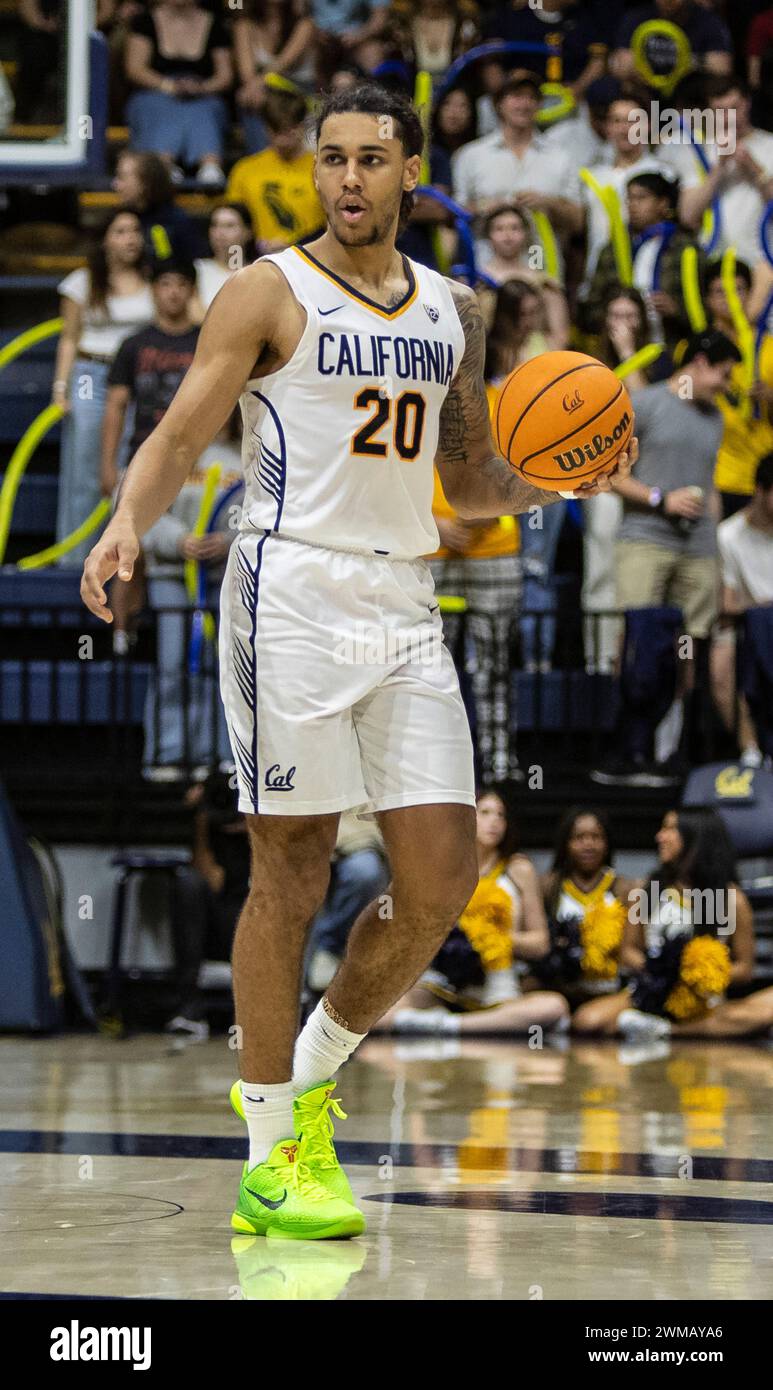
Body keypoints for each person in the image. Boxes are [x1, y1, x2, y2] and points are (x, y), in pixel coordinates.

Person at [81, 81, 634, 1241]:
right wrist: (129, 520)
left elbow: (472, 477)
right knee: (289, 871)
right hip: (288, 590)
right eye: (330, 158)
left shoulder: (455, 308)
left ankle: (311, 1070)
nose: (345, 179)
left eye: (369, 159)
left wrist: (558, 473)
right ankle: (271, 1146)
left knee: (439, 881)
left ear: (410, 172)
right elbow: (182, 429)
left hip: (403, 595)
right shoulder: (265, 288)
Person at [612, 331, 740, 770]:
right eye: (723, 375)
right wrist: (659, 499)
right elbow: (612, 476)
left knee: (688, 648)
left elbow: (713, 490)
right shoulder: (645, 404)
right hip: (645, 539)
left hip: (698, 547)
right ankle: (630, 747)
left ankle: (670, 750)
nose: (726, 384)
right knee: (637, 642)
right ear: (700, 363)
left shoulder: (716, 419)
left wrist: (719, 557)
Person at [373, 788, 570, 1029]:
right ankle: (450, 1022)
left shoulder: (519, 869)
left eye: (501, 815)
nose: (494, 822)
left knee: (554, 1007)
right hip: (444, 985)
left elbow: (540, 944)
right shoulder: (442, 868)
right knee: (374, 1010)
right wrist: (455, 943)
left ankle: (452, 1026)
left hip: (499, 988)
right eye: (485, 813)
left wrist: (493, 939)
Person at [571, 809, 773, 1040]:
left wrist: (699, 974)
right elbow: (628, 951)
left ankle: (667, 1030)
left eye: (669, 829)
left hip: (704, 998)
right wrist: (661, 972)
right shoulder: (646, 891)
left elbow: (745, 969)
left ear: (695, 838)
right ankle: (682, 1028)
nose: (660, 836)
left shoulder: (731, 899)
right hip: (652, 992)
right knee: (587, 1020)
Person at [52, 207, 153, 571]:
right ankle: (72, 561)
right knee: (85, 467)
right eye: (121, 231)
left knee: (126, 469)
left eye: (135, 230)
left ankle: (113, 562)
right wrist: (60, 389)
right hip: (88, 374)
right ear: (106, 239)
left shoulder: (152, 280)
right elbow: (68, 338)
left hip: (136, 379)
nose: (131, 238)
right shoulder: (82, 281)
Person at [483, 278, 567, 673]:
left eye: (536, 312)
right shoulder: (487, 353)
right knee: (505, 570)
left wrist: (551, 288)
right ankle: (500, 659)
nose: (531, 320)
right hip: (499, 471)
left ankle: (538, 662)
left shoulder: (545, 349)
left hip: (542, 470)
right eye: (524, 313)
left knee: (537, 569)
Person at [583, 287, 654, 673]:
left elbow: (646, 409)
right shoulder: (589, 363)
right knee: (601, 565)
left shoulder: (655, 360)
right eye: (615, 317)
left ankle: (632, 658)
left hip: (646, 474)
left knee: (636, 570)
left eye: (630, 317)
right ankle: (600, 660)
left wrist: (630, 356)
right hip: (601, 477)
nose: (621, 326)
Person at [450, 69, 583, 244]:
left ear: (539, 105)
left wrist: (548, 203)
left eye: (532, 98)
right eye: (516, 96)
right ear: (499, 104)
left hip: (540, 258)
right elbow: (454, 216)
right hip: (486, 261)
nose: (524, 104)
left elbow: (578, 222)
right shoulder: (471, 155)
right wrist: (487, 206)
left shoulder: (561, 156)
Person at [585, 169, 702, 350]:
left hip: (673, 346)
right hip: (620, 347)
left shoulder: (685, 248)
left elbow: (707, 309)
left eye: (641, 198)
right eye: (629, 199)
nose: (633, 205)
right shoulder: (612, 250)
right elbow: (591, 307)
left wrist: (677, 310)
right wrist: (616, 313)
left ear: (663, 203)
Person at [124, 0, 233, 186]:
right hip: (154, 91)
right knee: (157, 106)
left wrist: (202, 88)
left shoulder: (216, 24)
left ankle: (210, 166)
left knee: (205, 109)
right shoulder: (144, 21)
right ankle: (163, 166)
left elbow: (225, 76)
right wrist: (169, 86)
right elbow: (135, 69)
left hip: (202, 94)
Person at [537, 807, 636, 1008]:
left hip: (609, 992)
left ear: (607, 843)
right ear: (566, 843)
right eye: (579, 837)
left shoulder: (624, 888)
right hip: (560, 993)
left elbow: (630, 951)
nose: (588, 844)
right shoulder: (548, 886)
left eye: (596, 837)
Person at [712, 453, 773, 768]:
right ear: (760, 491)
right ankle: (750, 750)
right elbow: (727, 603)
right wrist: (761, 609)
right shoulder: (728, 535)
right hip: (742, 626)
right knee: (721, 665)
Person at [675, 77, 773, 273]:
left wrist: (753, 166)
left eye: (735, 108)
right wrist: (719, 167)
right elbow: (687, 216)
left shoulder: (770, 144)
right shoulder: (700, 151)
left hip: (763, 260)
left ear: (747, 103)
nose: (729, 117)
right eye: (721, 111)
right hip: (714, 262)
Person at [703, 258, 773, 520]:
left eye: (738, 289)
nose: (730, 298)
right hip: (711, 477)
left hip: (760, 479)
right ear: (708, 299)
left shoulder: (769, 349)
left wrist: (770, 396)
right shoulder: (694, 349)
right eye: (721, 291)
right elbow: (681, 396)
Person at [225, 89, 324, 253]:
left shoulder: (322, 167)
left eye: (290, 127)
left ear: (302, 126)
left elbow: (333, 224)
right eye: (276, 128)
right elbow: (234, 224)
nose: (283, 137)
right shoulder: (245, 170)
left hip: (312, 258)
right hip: (257, 258)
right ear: (266, 127)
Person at [306, 811, 390, 992]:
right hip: (314, 829)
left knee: (367, 872)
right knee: (365, 871)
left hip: (372, 832)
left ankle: (332, 949)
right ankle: (329, 949)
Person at [234, 1, 317, 155]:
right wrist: (254, 87)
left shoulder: (305, 24)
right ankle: (260, 159)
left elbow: (282, 64)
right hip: (263, 93)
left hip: (300, 93)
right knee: (250, 98)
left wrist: (256, 85)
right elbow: (247, 74)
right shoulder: (244, 24)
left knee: (258, 96)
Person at [611, 0, 732, 87]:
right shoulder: (636, 18)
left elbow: (722, 68)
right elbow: (622, 67)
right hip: (645, 90)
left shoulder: (707, 20)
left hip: (691, 93)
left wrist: (683, 61)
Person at [113, 151, 204, 262]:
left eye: (122, 177)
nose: (116, 185)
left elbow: (197, 263)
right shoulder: (116, 220)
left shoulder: (175, 222)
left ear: (144, 182)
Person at [192, 202, 256, 320]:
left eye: (229, 226)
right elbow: (194, 315)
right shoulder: (196, 269)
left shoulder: (260, 272)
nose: (220, 233)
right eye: (215, 225)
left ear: (248, 233)